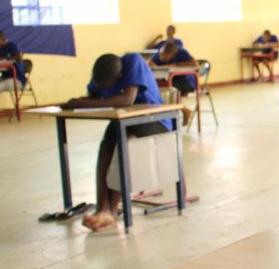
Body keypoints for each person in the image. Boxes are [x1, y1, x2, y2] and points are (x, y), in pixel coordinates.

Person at [64, 53, 169, 232]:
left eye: (109, 86)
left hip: (155, 120)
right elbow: (92, 97)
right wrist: (80, 102)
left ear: (120, 77)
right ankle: (103, 208)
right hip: (124, 122)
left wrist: (83, 103)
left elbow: (127, 99)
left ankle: (111, 209)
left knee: (124, 146)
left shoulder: (132, 62)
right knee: (106, 146)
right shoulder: (100, 74)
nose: (105, 89)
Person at [148, 41, 198, 125]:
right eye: (160, 54)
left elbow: (194, 64)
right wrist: (150, 64)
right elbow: (149, 63)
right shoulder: (159, 53)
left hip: (187, 82)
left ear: (172, 55)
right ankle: (183, 111)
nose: (161, 57)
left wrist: (176, 65)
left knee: (167, 90)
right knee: (158, 89)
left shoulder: (182, 52)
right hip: (171, 81)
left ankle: (181, 112)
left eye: (164, 55)